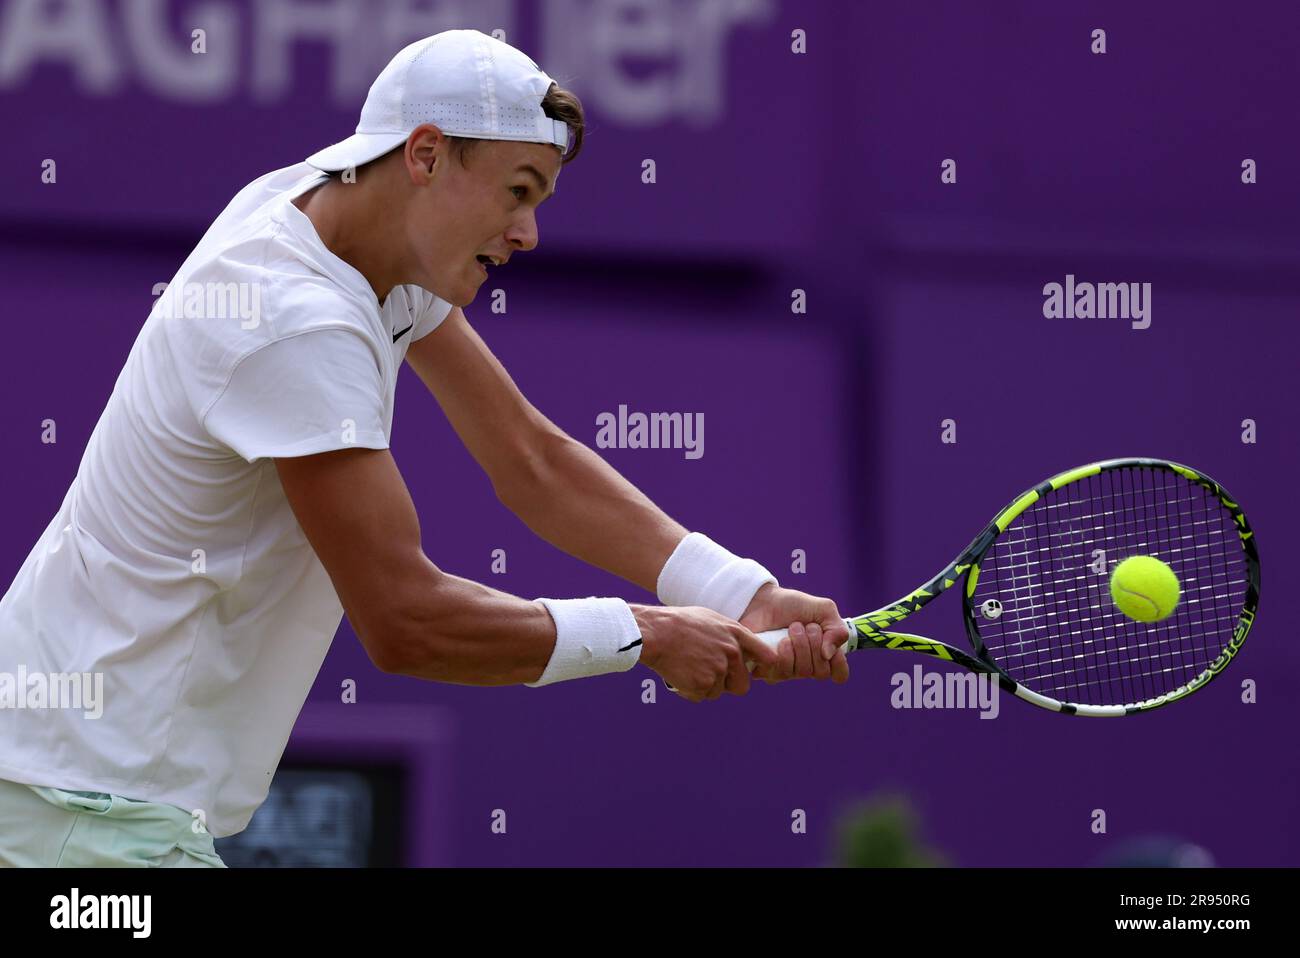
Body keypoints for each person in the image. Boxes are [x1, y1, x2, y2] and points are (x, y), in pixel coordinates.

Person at [0, 29, 849, 868]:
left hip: (70, 797)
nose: (528, 234)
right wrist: (648, 635)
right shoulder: (290, 321)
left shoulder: (346, 218)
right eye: (517, 192)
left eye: (539, 201)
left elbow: (531, 461)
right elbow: (405, 621)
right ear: (426, 155)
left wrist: (738, 592)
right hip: (79, 817)